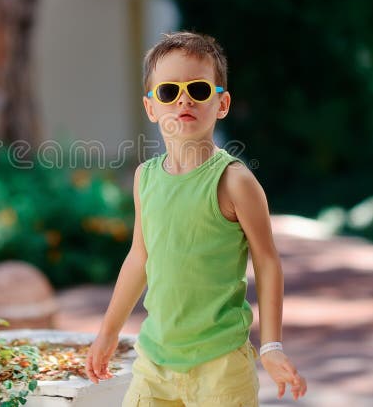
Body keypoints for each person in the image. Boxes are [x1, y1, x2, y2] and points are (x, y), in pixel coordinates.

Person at [84, 31, 308, 406]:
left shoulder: (235, 181)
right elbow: (140, 257)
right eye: (169, 92)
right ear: (151, 107)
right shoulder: (145, 178)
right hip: (154, 363)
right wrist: (108, 332)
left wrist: (270, 345)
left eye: (199, 90)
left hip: (221, 369)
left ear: (222, 103)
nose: (184, 99)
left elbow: (267, 262)